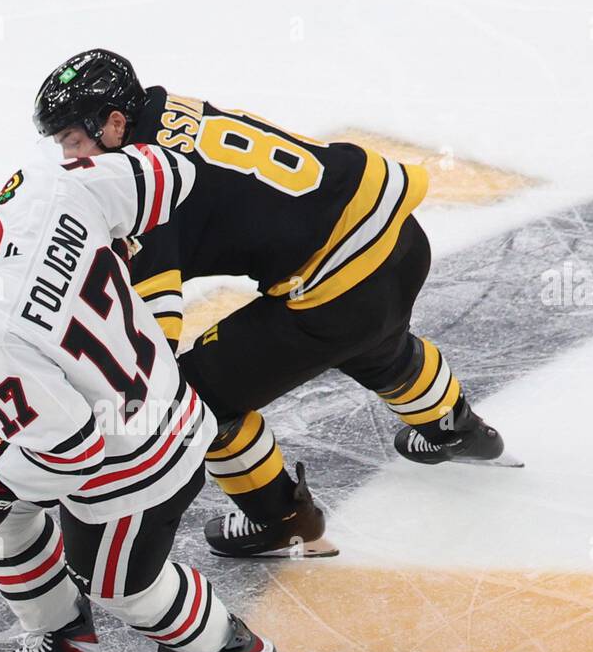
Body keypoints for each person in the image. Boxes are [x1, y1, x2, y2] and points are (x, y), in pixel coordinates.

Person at [32, 50, 518, 560]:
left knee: (192, 399)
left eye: (73, 140)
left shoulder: (143, 177)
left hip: (340, 287)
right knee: (376, 344)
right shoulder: (161, 108)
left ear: (113, 124)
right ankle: (457, 429)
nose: (69, 157)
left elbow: (155, 332)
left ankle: (282, 519)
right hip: (396, 234)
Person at [0, 150, 291, 652]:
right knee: (5, 513)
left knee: (121, 586)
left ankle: (224, 646)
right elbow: (170, 175)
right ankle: (64, 647)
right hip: (177, 408)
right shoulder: (38, 187)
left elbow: (74, 452)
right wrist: (116, 242)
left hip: (134, 468)